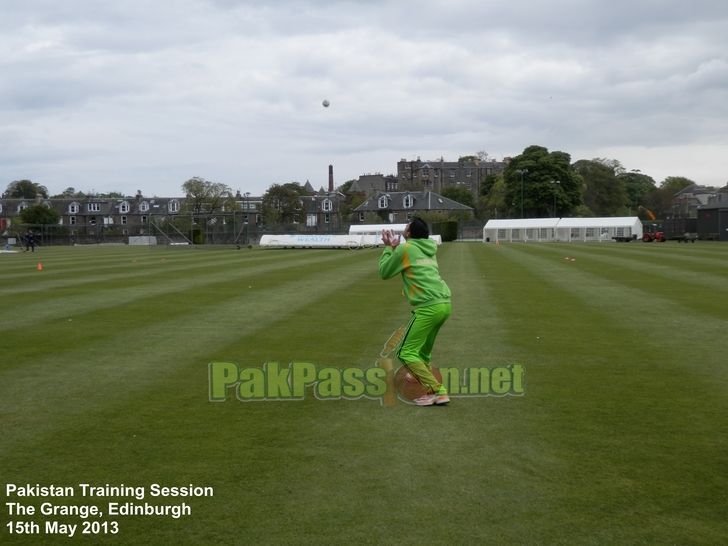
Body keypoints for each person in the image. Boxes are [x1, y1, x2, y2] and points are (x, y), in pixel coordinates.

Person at [378, 217, 452, 406]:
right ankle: (420, 372)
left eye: (406, 226)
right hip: (444, 304)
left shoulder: (406, 248)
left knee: (404, 352)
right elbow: (411, 261)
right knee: (424, 348)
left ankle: (437, 391)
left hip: (428, 306)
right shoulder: (428, 248)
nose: (404, 228)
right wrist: (396, 248)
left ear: (409, 233)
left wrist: (388, 247)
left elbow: (385, 272)